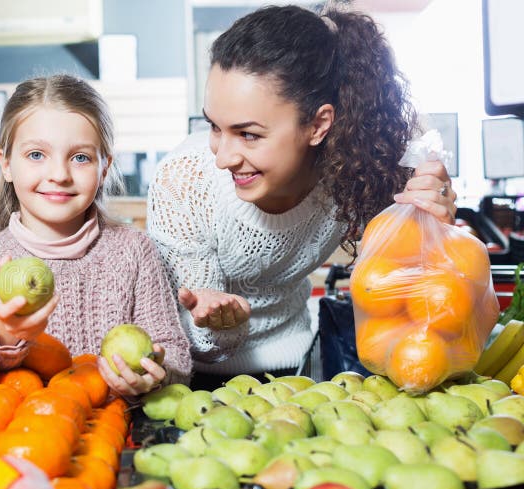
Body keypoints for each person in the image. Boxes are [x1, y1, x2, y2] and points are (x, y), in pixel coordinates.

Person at [146, 5, 456, 387]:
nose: (224, 157)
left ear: (319, 125)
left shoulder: (356, 170)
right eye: (214, 126)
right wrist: (219, 322)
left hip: (300, 370)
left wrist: (436, 226)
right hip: (192, 378)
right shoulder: (184, 181)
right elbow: (200, 340)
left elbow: (417, 295)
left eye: (248, 134)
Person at [0, 74, 192, 396]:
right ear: (5, 164)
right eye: (36, 155)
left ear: (104, 168)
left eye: (80, 158)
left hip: (114, 435)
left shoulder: (134, 251)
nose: (59, 175)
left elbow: (175, 355)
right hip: (20, 437)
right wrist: (3, 332)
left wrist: (155, 373)